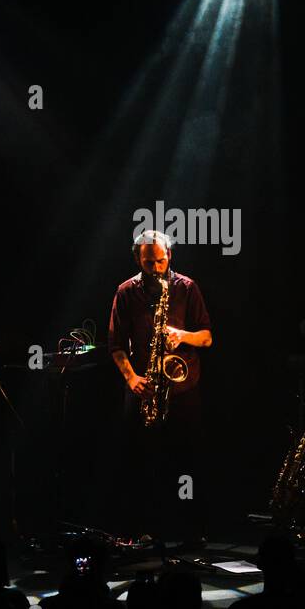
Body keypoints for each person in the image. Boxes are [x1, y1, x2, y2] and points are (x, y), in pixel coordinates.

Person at [107, 230, 212, 547]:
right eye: (148, 261)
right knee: (140, 462)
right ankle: (142, 529)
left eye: (161, 260)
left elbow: (206, 337)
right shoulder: (126, 292)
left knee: (186, 461)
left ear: (170, 257)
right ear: (137, 258)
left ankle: (190, 530)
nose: (155, 267)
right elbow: (115, 345)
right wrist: (132, 378)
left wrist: (182, 335)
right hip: (144, 387)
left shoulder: (186, 287)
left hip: (182, 387)